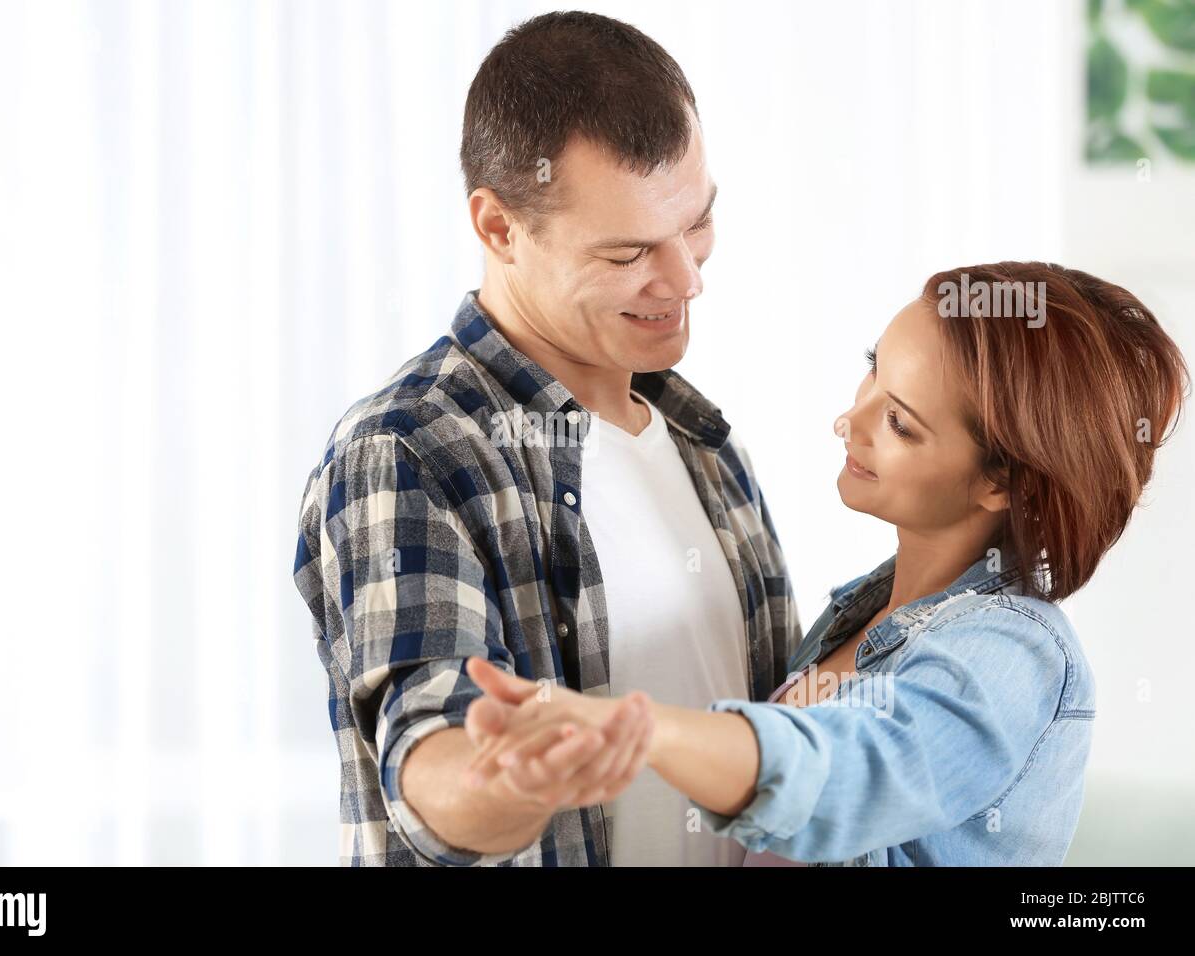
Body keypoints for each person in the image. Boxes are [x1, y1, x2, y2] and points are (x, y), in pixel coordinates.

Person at [463, 261, 1189, 865]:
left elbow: (853, 773)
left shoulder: (1014, 655)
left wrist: (642, 730)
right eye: (873, 371)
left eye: (900, 422)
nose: (850, 421)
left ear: (999, 483)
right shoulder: (860, 615)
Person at [292, 11, 803, 866]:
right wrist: (517, 777)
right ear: (498, 227)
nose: (687, 279)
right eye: (629, 250)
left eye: (696, 224)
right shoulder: (409, 449)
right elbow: (432, 757)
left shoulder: (705, 443)